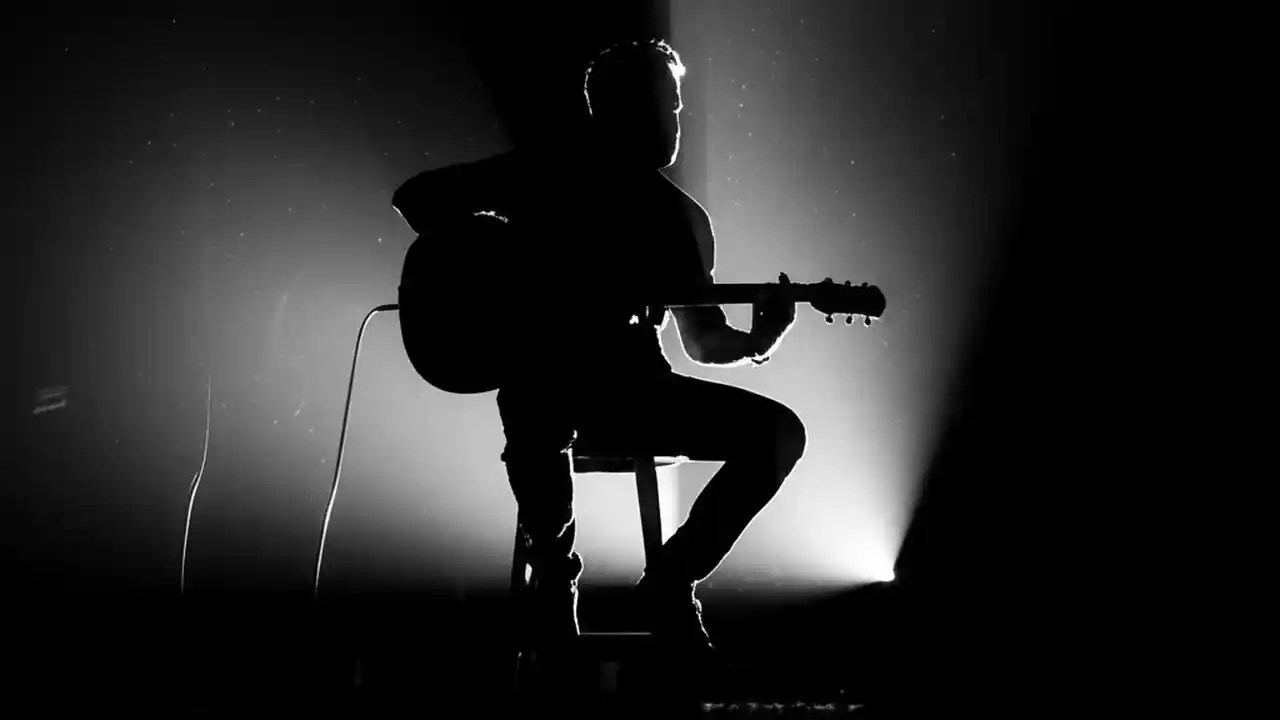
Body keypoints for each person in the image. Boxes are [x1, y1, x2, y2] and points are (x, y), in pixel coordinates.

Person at [393, 39, 806, 668]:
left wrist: (758, 343)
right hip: (545, 379)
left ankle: (669, 582)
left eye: (676, 106)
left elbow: (701, 341)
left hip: (635, 392)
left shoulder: (678, 220)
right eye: (664, 104)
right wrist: (498, 270)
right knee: (539, 386)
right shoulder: (542, 172)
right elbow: (416, 196)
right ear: (617, 109)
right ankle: (555, 579)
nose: (675, 120)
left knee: (779, 433)